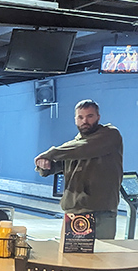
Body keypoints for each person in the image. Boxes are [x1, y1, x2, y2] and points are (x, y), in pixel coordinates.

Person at [34, 99, 123, 239]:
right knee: (71, 259)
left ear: (98, 117)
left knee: (102, 257)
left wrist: (49, 154)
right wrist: (45, 165)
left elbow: (84, 148)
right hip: (74, 212)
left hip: (101, 211)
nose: (85, 121)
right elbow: (59, 163)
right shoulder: (72, 145)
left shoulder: (110, 135)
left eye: (90, 116)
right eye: (80, 117)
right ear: (75, 119)